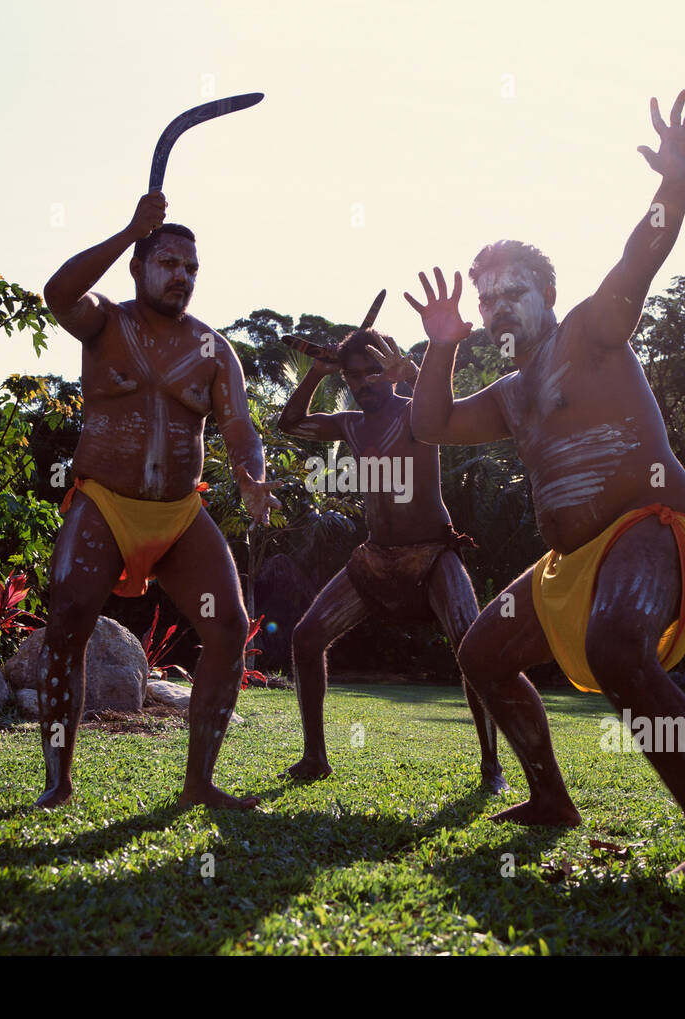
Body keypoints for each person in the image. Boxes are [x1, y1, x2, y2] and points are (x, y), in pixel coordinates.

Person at [406, 91, 685, 882]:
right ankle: (551, 797)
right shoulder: (511, 395)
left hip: (646, 526)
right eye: (485, 299)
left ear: (547, 293)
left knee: (616, 644)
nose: (496, 308)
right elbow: (429, 426)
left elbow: (641, 256)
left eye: (509, 291)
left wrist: (677, 185)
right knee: (482, 652)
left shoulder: (593, 331)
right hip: (569, 562)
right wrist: (442, 345)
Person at [38, 190, 280, 810]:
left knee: (228, 628)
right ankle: (58, 784)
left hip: (177, 514)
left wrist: (253, 476)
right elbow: (57, 294)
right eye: (170, 263)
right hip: (104, 505)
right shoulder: (106, 322)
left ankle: (199, 782)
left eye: (192, 268)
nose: (183, 277)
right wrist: (128, 228)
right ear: (139, 267)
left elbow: (240, 429)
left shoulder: (212, 349)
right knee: (68, 619)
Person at [277, 307, 505, 791]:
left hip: (432, 553)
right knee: (305, 637)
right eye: (354, 375)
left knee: (473, 648)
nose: (363, 383)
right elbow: (289, 423)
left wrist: (416, 374)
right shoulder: (351, 425)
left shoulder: (419, 412)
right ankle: (315, 756)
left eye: (373, 372)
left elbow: (442, 405)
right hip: (377, 556)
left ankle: (492, 767)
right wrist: (318, 372)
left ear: (391, 370)